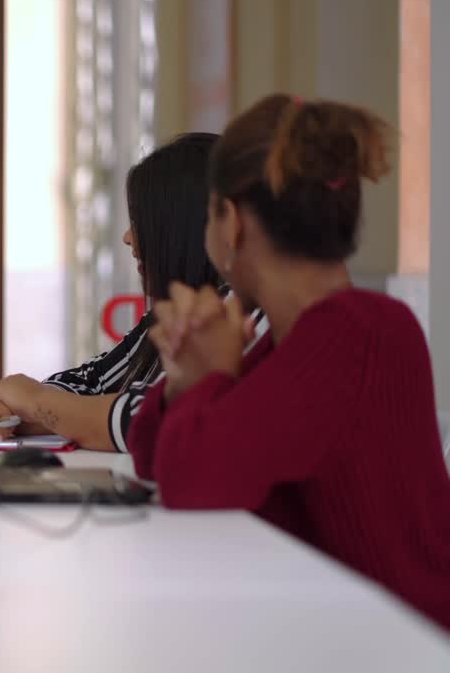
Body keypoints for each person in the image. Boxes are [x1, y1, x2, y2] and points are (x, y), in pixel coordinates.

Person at [130, 95, 450, 632]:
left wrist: (209, 375)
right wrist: (188, 376)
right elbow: (150, 455)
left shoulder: (354, 332)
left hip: (407, 647)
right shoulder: (295, 340)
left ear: (229, 223)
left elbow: (193, 486)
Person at [0, 133, 258, 450]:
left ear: (184, 230)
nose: (128, 237)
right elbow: (92, 382)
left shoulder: (240, 319)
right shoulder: (165, 318)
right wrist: (11, 409)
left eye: (143, 222)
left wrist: (34, 400)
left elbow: (148, 418)